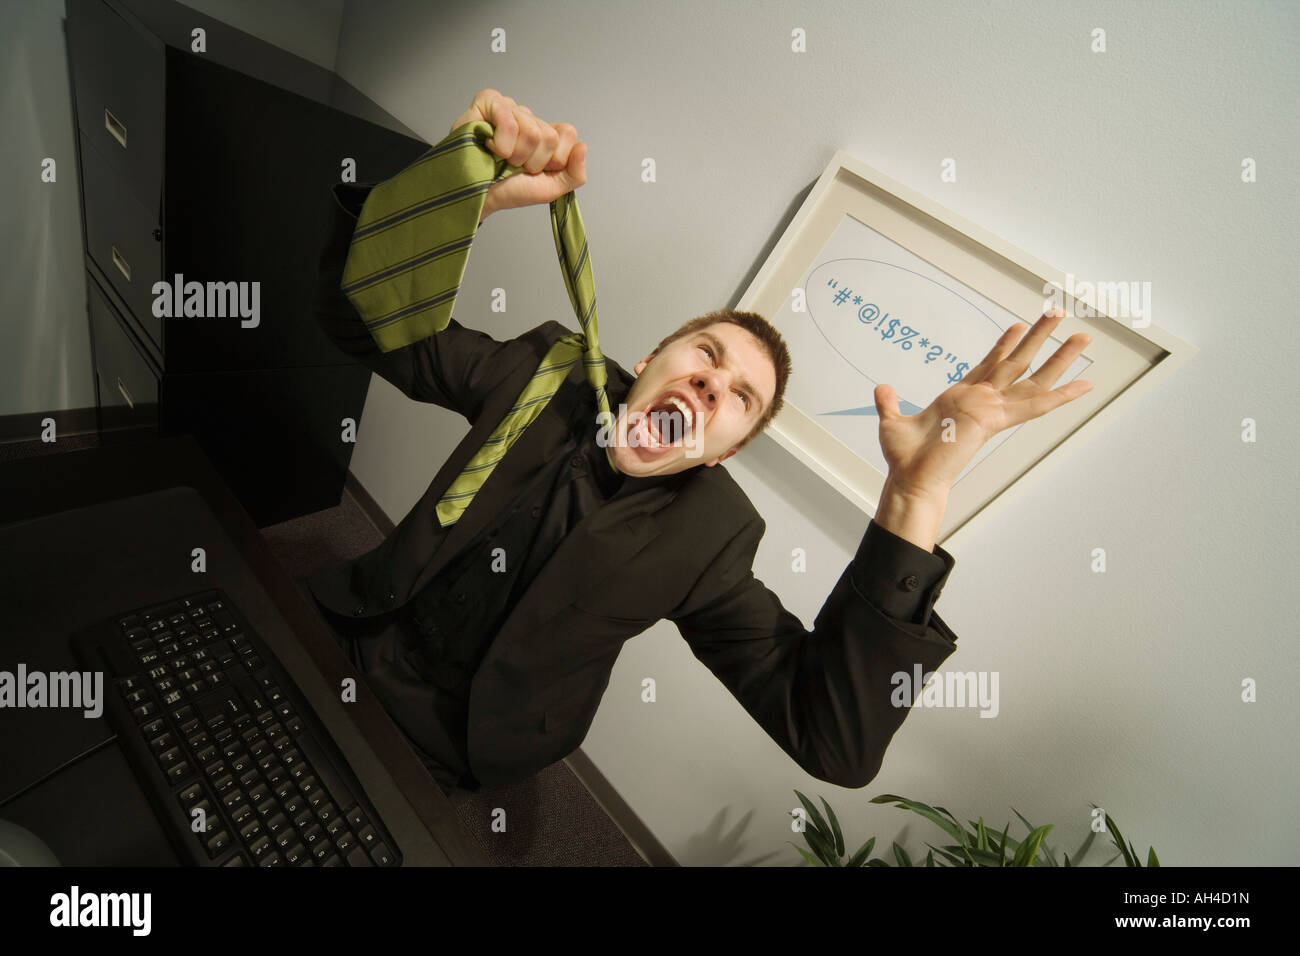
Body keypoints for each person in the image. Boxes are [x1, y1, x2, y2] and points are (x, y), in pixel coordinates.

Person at [305, 89, 1093, 796]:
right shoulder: (547, 370)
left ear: (722, 453)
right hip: (351, 633)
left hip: (454, 755)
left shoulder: (709, 536)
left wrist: (915, 498)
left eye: (740, 398)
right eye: (706, 357)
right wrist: (462, 200)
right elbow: (362, 328)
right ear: (646, 364)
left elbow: (832, 740)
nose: (715, 385)